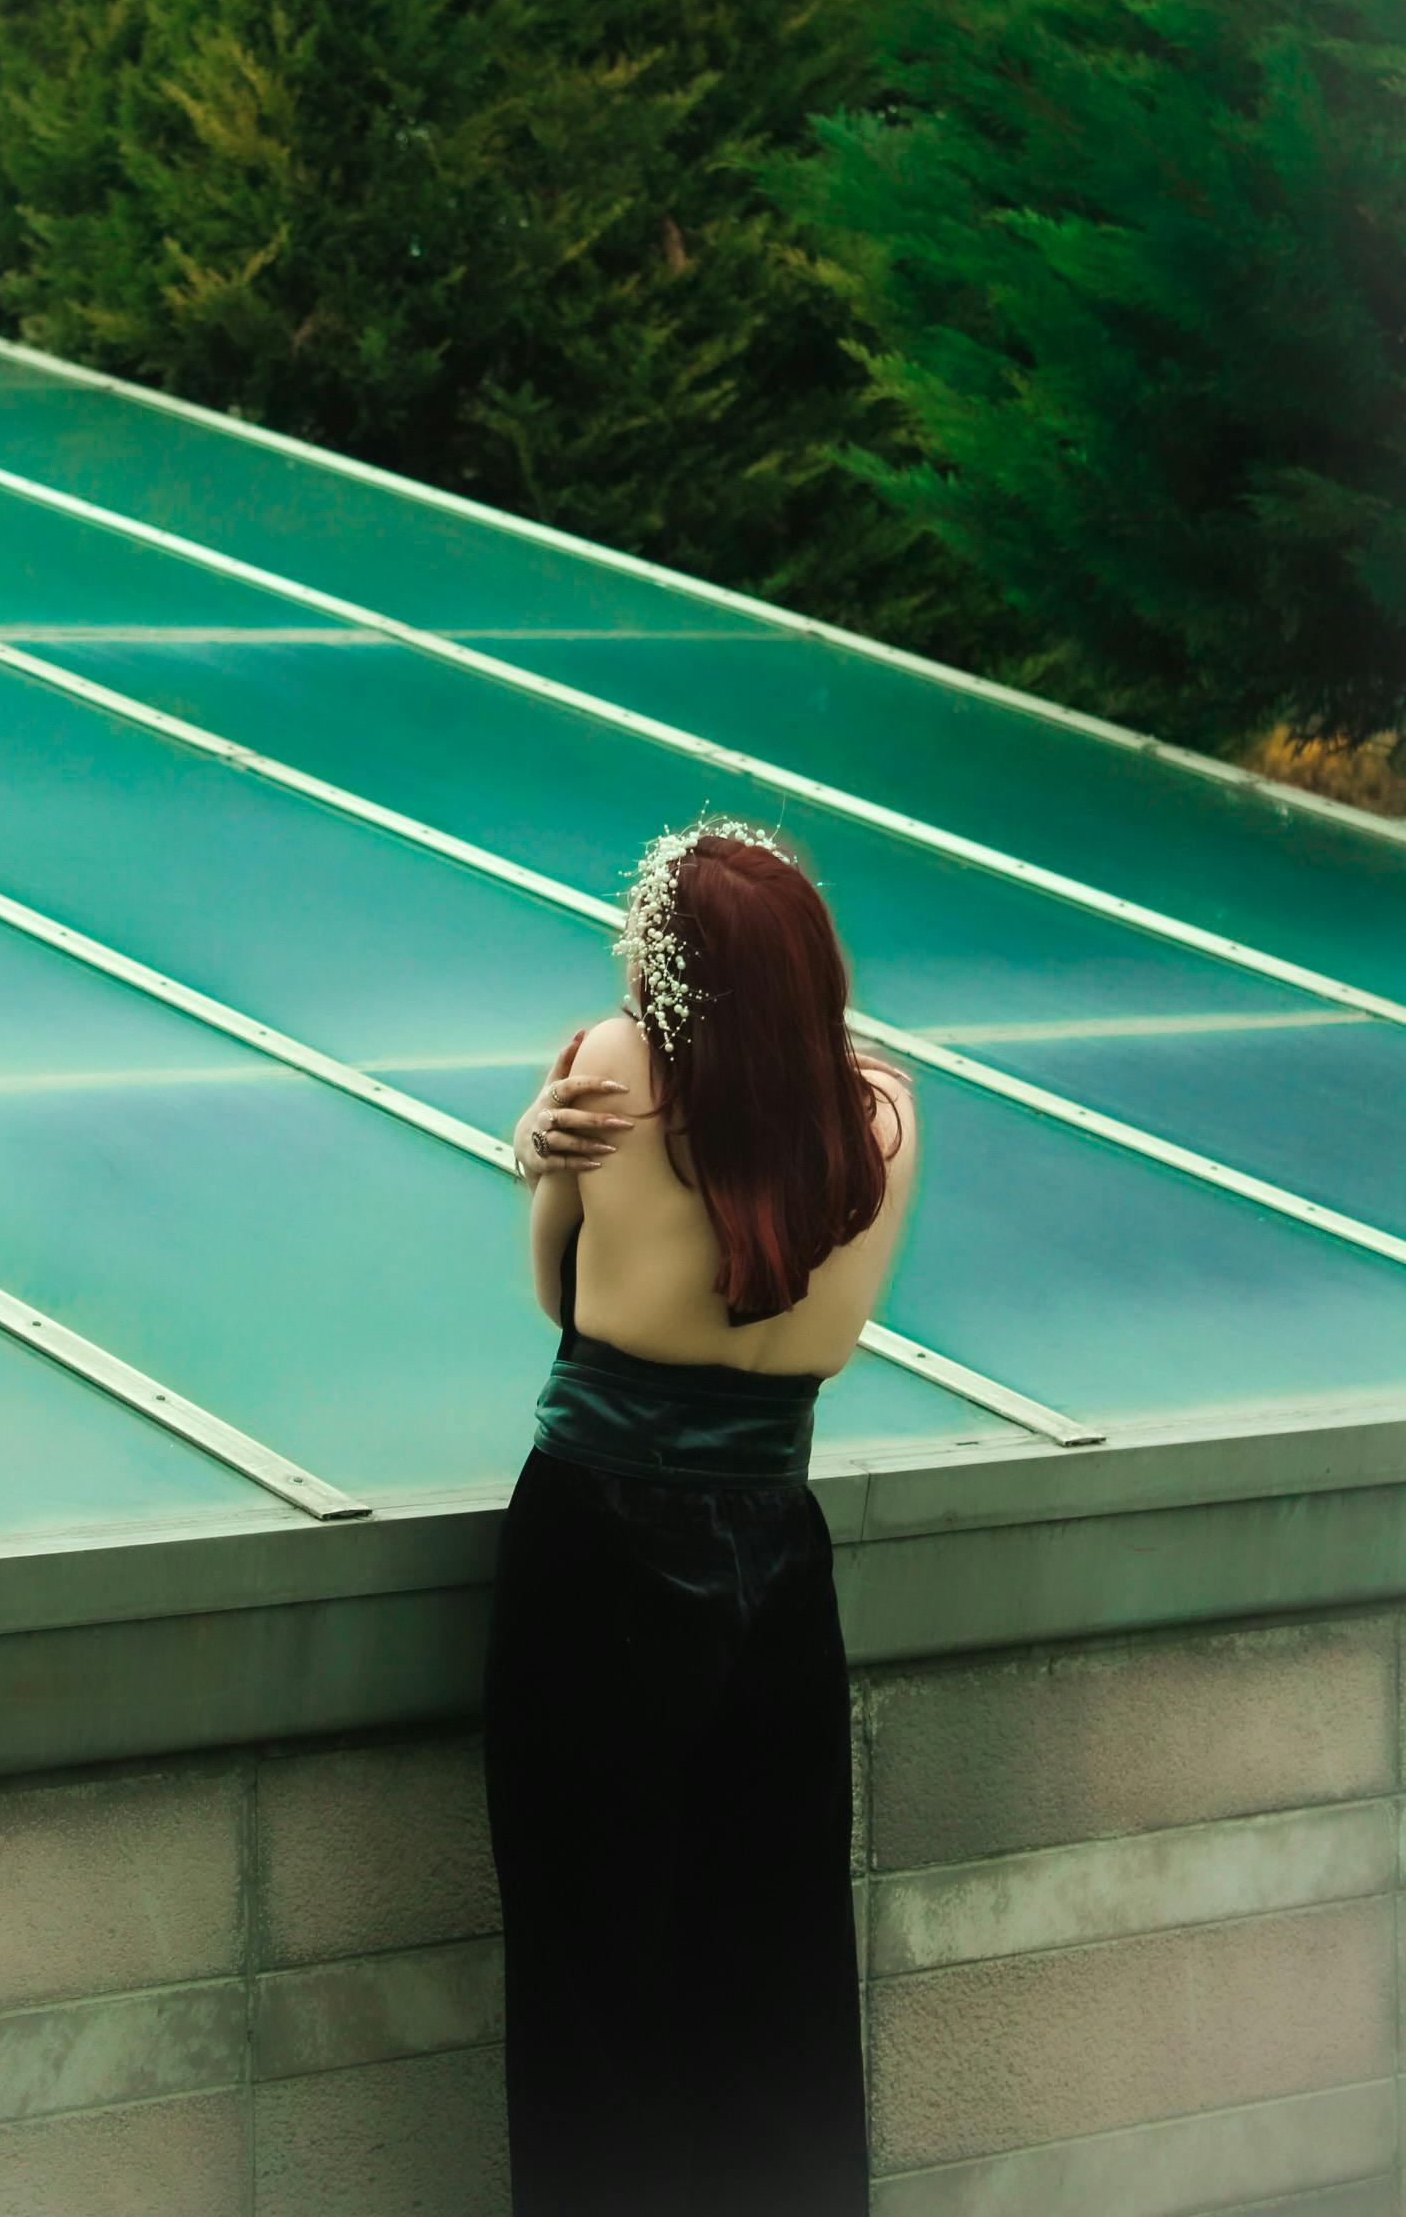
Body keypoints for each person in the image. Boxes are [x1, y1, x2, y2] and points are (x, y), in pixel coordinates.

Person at [482, 813, 919, 2217]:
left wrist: (536, 1159)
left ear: (675, 970)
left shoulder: (611, 1069)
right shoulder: (884, 1116)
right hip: (777, 1559)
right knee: (775, 1965)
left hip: (598, 1546)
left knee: (591, 1967)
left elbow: (558, 1296)